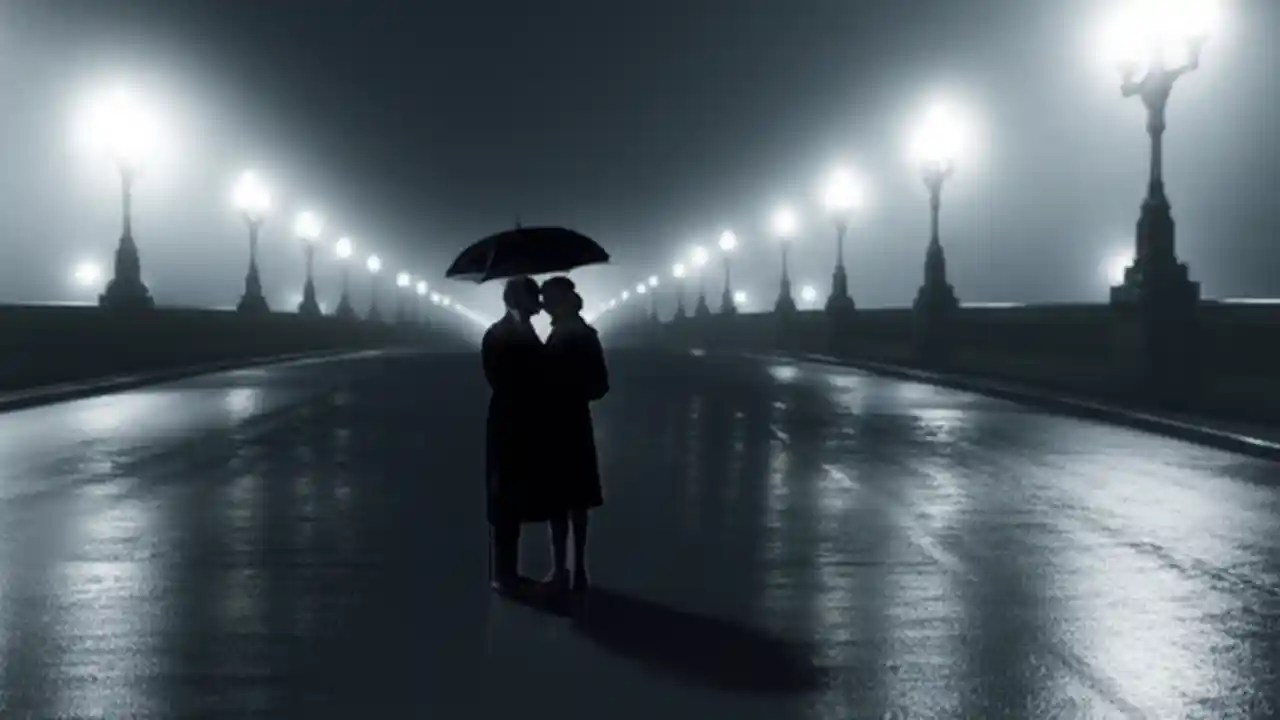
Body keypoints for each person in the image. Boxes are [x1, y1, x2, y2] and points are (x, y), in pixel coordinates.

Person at [481, 276, 553, 594]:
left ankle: (508, 570)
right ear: (517, 299)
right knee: (505, 494)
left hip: (519, 418)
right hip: (511, 420)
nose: (539, 300)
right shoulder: (504, 334)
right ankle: (503, 572)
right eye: (533, 295)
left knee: (513, 493)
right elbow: (502, 377)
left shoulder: (516, 331)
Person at [539, 276, 609, 596]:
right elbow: (600, 386)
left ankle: (561, 569)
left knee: (559, 499)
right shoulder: (584, 335)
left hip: (559, 421)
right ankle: (577, 568)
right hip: (575, 421)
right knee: (576, 499)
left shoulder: (567, 337)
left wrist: (561, 386)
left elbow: (598, 385)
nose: (544, 306)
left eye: (548, 299)